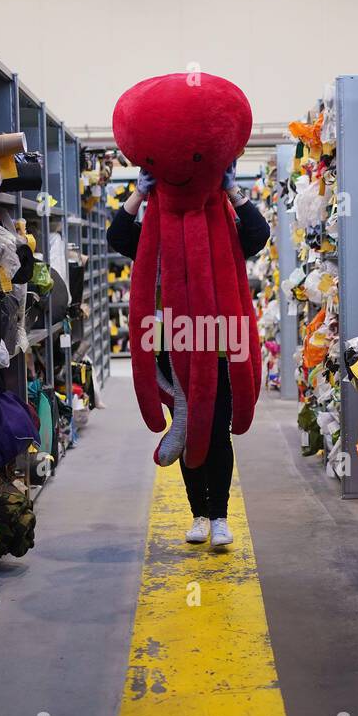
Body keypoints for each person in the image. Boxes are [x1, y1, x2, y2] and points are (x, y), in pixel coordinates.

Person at [107, 163, 269, 548]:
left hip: (217, 340)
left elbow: (258, 233)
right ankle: (198, 515)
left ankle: (219, 518)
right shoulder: (156, 232)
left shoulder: (224, 228)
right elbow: (118, 236)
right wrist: (141, 192)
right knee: (186, 425)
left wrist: (232, 190)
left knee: (215, 431)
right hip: (172, 339)